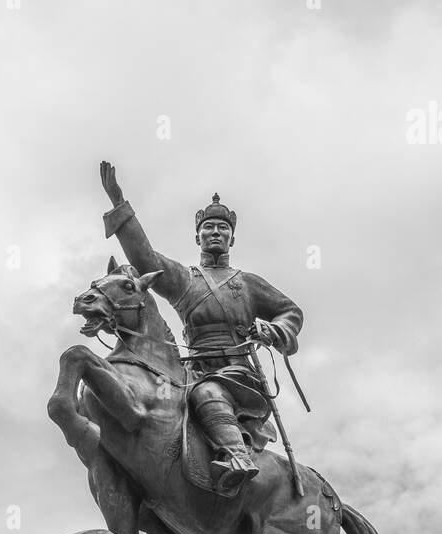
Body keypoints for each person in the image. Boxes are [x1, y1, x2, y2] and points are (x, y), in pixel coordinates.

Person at [100, 161, 303, 502]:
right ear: (197, 236)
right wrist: (119, 204)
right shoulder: (184, 280)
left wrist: (274, 329)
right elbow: (145, 259)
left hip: (236, 374)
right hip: (192, 369)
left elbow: (291, 312)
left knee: (208, 393)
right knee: (161, 417)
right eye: (208, 228)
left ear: (231, 237)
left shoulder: (249, 284)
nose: (215, 233)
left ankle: (236, 456)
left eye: (222, 229)